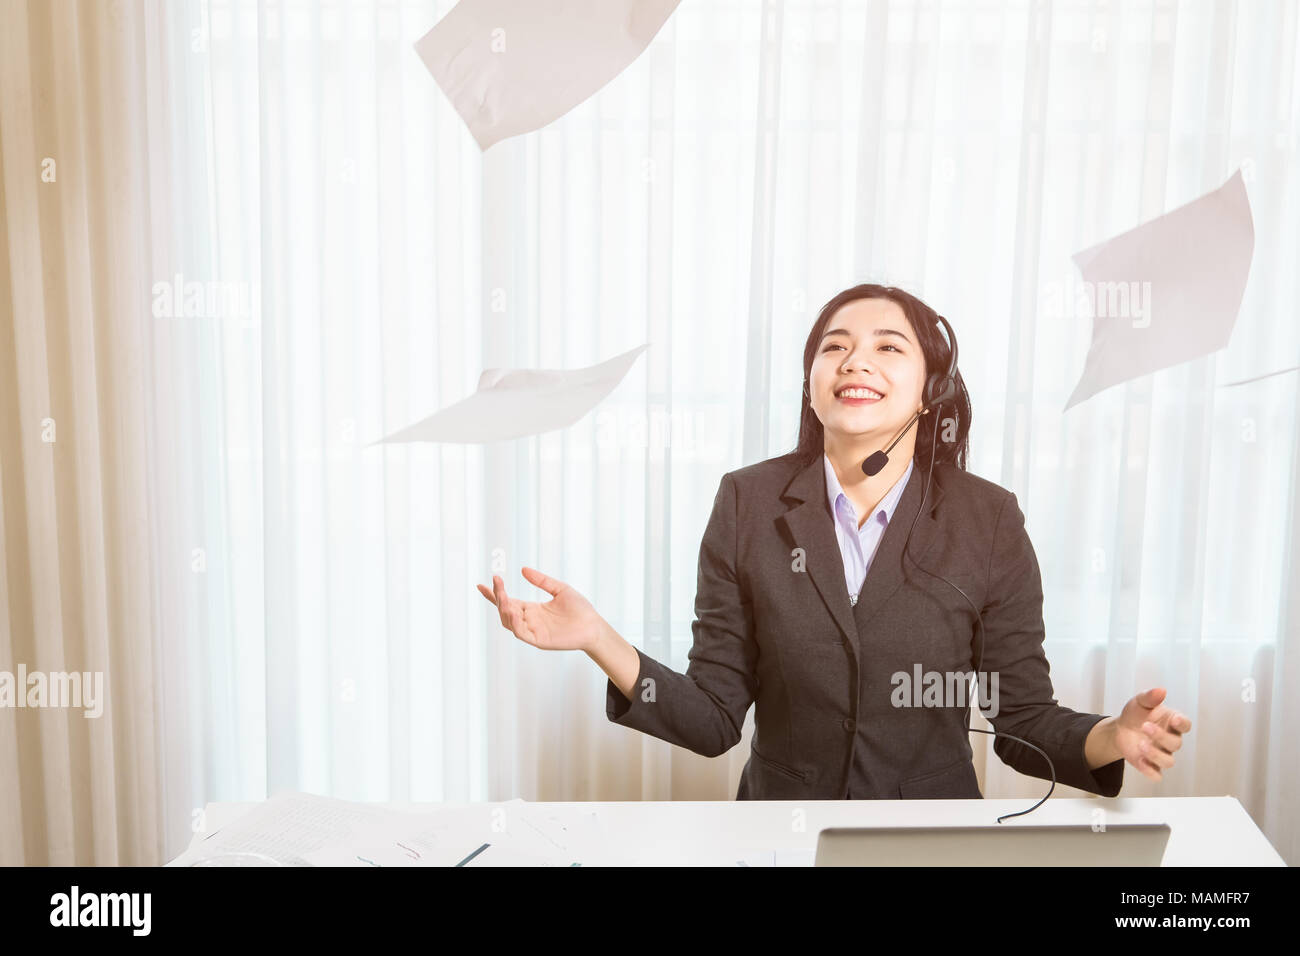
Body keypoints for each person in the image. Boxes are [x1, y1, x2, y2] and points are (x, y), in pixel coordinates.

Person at [476, 284, 1192, 800]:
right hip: (779, 835)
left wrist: (1111, 738)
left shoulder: (989, 520)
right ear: (812, 386)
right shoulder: (746, 503)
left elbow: (1022, 721)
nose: (856, 361)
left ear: (928, 394)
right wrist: (601, 638)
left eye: (888, 346)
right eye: (835, 348)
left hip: (929, 843)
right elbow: (716, 718)